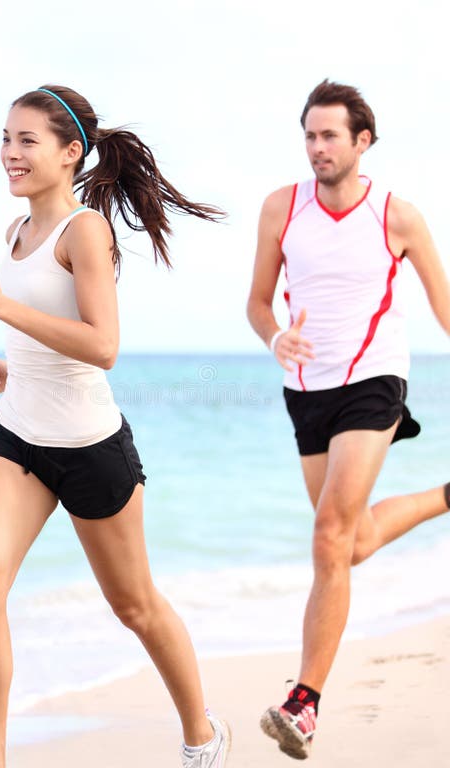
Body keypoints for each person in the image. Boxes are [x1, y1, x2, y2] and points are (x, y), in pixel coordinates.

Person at [0, 84, 230, 768]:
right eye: (6, 139)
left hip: (90, 448)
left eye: (27, 141)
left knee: (133, 606)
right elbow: (49, 338)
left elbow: (103, 345)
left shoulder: (87, 230)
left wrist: (1, 311)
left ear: (70, 152)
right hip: (19, 437)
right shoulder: (16, 232)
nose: (9, 154)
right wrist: (12, 367)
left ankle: (202, 735)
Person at [246, 79, 450, 760]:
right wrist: (277, 339)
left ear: (363, 141)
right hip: (305, 388)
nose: (317, 147)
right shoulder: (281, 208)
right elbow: (257, 305)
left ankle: (303, 703)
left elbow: (446, 312)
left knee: (328, 535)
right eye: (309, 134)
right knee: (351, 542)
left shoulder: (398, 216)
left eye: (330, 135)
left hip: (375, 381)